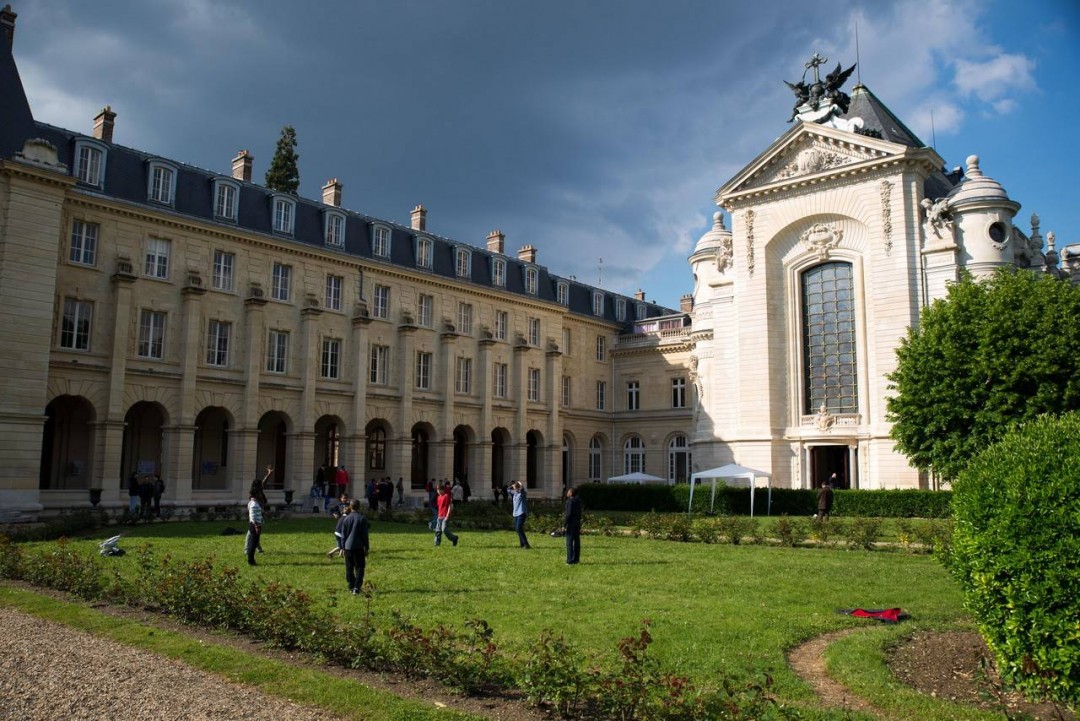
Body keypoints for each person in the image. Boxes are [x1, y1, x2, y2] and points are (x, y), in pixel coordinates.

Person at [339, 499, 370, 595]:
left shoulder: (346, 519)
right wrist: (366, 547)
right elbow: (365, 534)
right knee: (360, 567)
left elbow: (343, 535)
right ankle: (357, 587)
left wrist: (342, 547)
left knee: (349, 567)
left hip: (348, 547)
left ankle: (351, 585)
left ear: (350, 507)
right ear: (359, 507)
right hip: (358, 546)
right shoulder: (362, 518)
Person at [433, 483, 458, 547]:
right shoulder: (438, 497)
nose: (438, 491)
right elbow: (439, 507)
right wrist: (438, 515)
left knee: (444, 530)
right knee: (438, 530)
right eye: (437, 490)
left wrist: (447, 516)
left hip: (445, 516)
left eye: (439, 490)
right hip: (439, 516)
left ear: (442, 490)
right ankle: (437, 543)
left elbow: (450, 506)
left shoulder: (446, 496)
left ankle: (454, 538)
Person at [509, 481, 530, 549]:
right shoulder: (514, 493)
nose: (514, 489)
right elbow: (508, 489)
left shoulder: (522, 494)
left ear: (518, 488)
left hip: (521, 513)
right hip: (515, 514)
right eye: (514, 488)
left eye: (515, 488)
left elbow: (522, 489)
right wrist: (512, 485)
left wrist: (520, 484)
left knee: (519, 528)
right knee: (518, 529)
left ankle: (526, 544)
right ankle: (522, 544)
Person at [245, 488, 264, 566]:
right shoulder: (254, 504)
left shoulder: (252, 502)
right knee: (253, 543)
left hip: (254, 524)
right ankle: (251, 560)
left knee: (254, 542)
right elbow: (253, 517)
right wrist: (257, 526)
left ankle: (251, 559)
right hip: (255, 525)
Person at [564, 487, 582, 564]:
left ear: (571, 493)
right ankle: (576, 559)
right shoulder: (578, 501)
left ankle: (570, 560)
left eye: (568, 492)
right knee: (577, 541)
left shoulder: (569, 501)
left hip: (571, 523)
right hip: (577, 522)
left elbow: (568, 514)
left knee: (569, 542)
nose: (567, 493)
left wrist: (565, 524)